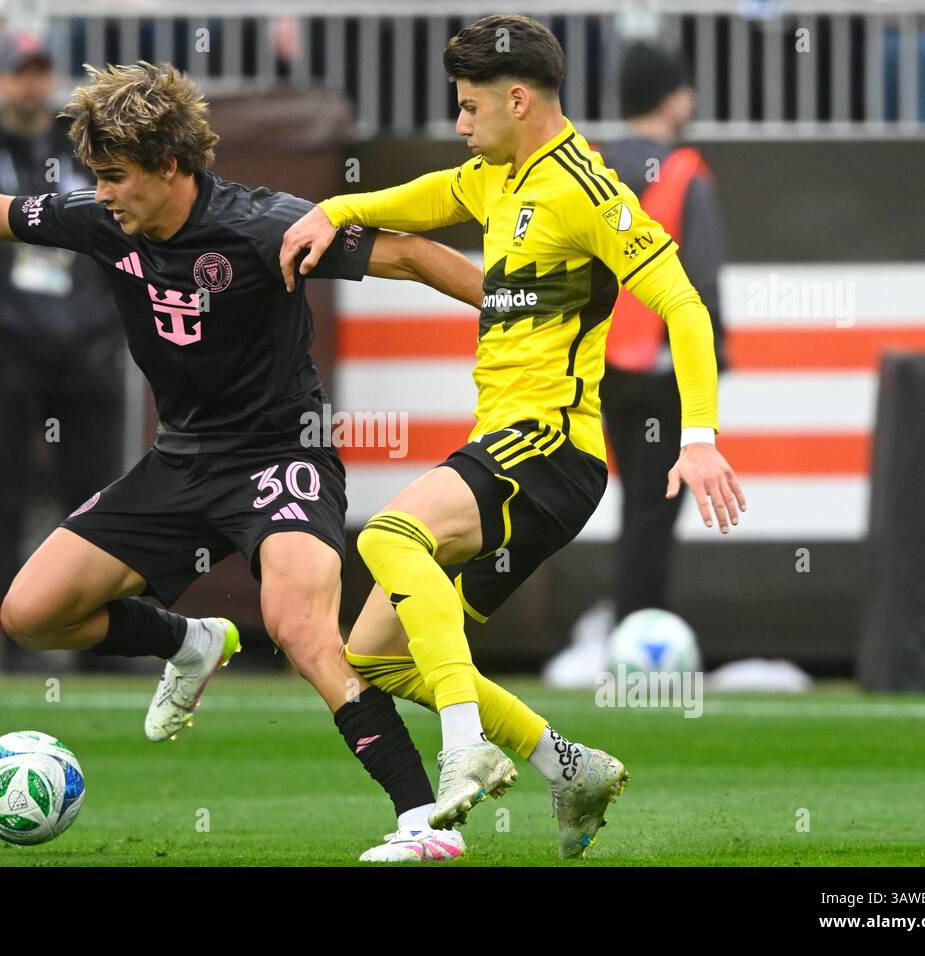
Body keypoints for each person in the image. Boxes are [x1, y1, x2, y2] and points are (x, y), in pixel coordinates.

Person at [0, 61, 485, 862]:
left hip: (278, 460)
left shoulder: (265, 225)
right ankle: (189, 642)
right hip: (181, 460)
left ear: (170, 167)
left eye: (117, 177)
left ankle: (421, 822)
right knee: (30, 614)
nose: (104, 193)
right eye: (97, 177)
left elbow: (406, 255)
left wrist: (514, 311)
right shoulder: (104, 220)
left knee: (302, 631)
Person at [281, 14, 746, 858]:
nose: (460, 126)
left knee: (389, 534)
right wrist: (333, 208)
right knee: (376, 655)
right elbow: (422, 199)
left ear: (518, 98)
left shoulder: (587, 187)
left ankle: (464, 746)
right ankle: (569, 766)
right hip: (509, 450)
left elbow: (683, 302)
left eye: (468, 108)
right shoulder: (499, 176)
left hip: (551, 449)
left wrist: (701, 434)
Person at [0, 33, 126, 673]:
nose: (31, 85)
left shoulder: (86, 155)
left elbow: (118, 242)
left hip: (85, 351)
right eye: (19, 72)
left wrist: (105, 332)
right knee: (5, 494)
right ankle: (12, 642)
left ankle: (100, 639)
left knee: (97, 499)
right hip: (10, 357)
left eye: (40, 71)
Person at [596, 41, 729, 625]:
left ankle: (626, 620)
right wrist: (715, 358)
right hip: (662, 369)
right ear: (673, 98)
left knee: (633, 501)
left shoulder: (590, 168)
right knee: (655, 507)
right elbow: (699, 282)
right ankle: (638, 631)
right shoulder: (685, 173)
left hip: (601, 367)